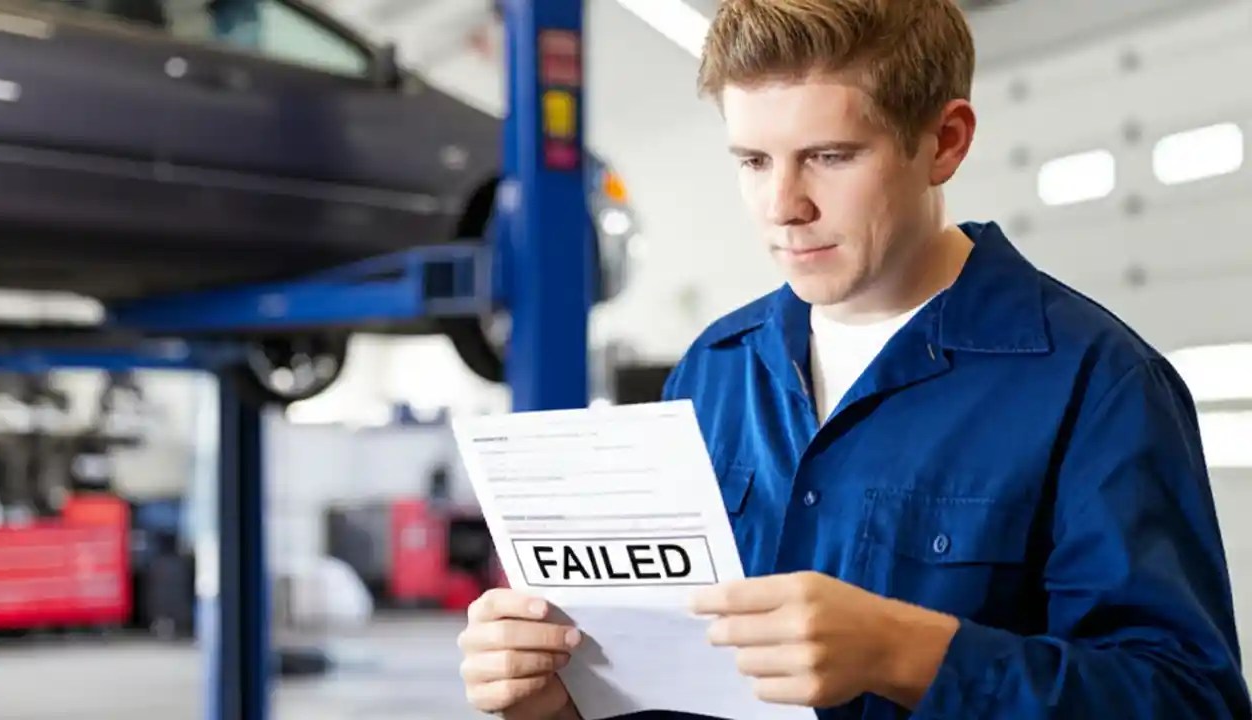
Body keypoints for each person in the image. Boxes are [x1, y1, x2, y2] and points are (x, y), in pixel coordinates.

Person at [455, 1, 1251, 718]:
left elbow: (1187, 702)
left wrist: (905, 654)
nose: (783, 207)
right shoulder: (716, 369)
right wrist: (565, 698)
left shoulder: (1096, 384)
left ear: (944, 141)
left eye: (830, 156)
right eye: (753, 161)